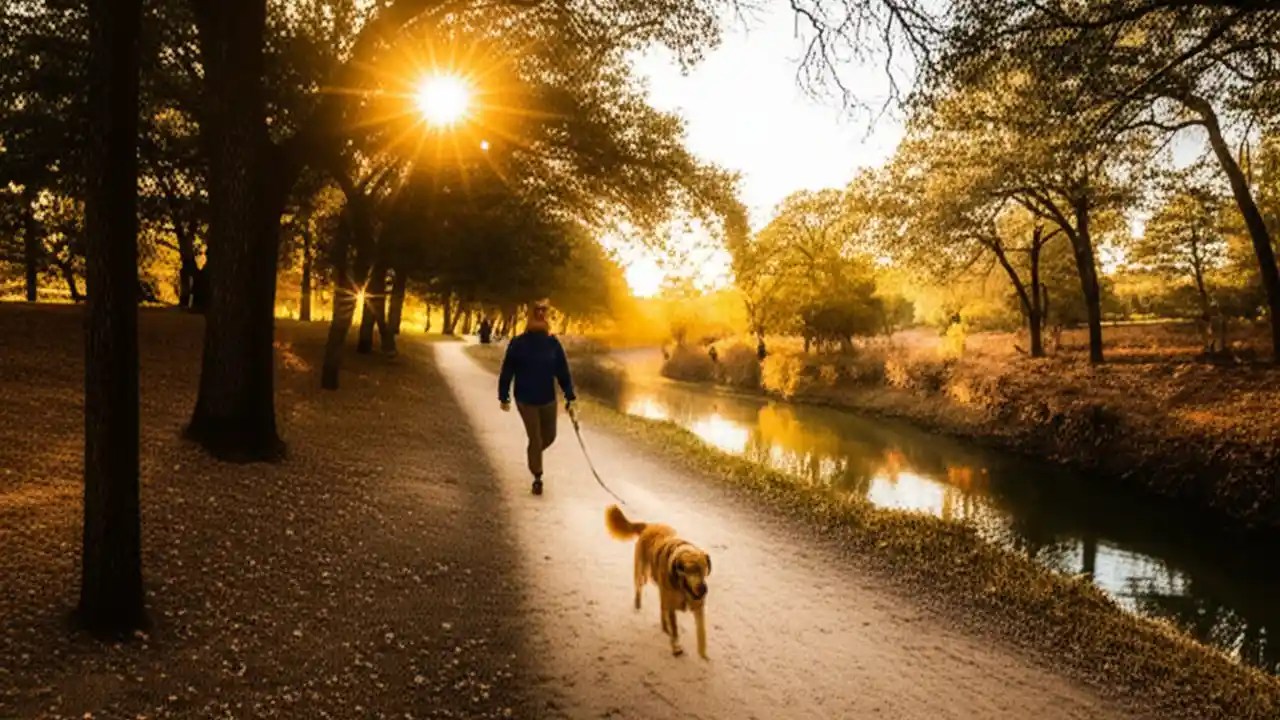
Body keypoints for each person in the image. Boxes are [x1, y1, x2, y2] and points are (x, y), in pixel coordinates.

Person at [498, 301, 576, 495]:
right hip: (525, 398)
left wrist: (570, 396)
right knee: (535, 436)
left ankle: (534, 456)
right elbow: (507, 370)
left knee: (549, 436)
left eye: (544, 312)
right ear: (530, 317)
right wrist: (503, 395)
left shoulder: (553, 343)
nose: (541, 316)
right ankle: (537, 477)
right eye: (537, 312)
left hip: (547, 397)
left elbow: (563, 371)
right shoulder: (518, 343)